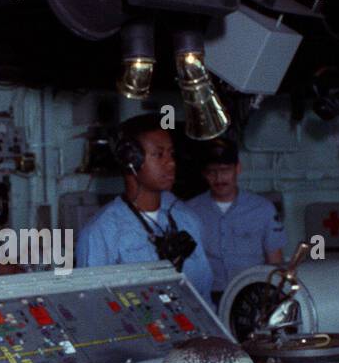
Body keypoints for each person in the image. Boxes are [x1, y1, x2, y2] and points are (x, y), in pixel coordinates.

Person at [75, 113, 213, 295]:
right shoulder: (100, 234)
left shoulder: (187, 220)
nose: (171, 163)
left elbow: (204, 296)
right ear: (131, 161)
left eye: (171, 154)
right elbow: (93, 303)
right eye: (159, 154)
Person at [188, 137, 286, 304]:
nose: (219, 178)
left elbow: (275, 261)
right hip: (207, 297)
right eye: (212, 172)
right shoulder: (190, 211)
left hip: (252, 295)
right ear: (204, 174)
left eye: (225, 170)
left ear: (238, 168)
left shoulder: (263, 208)